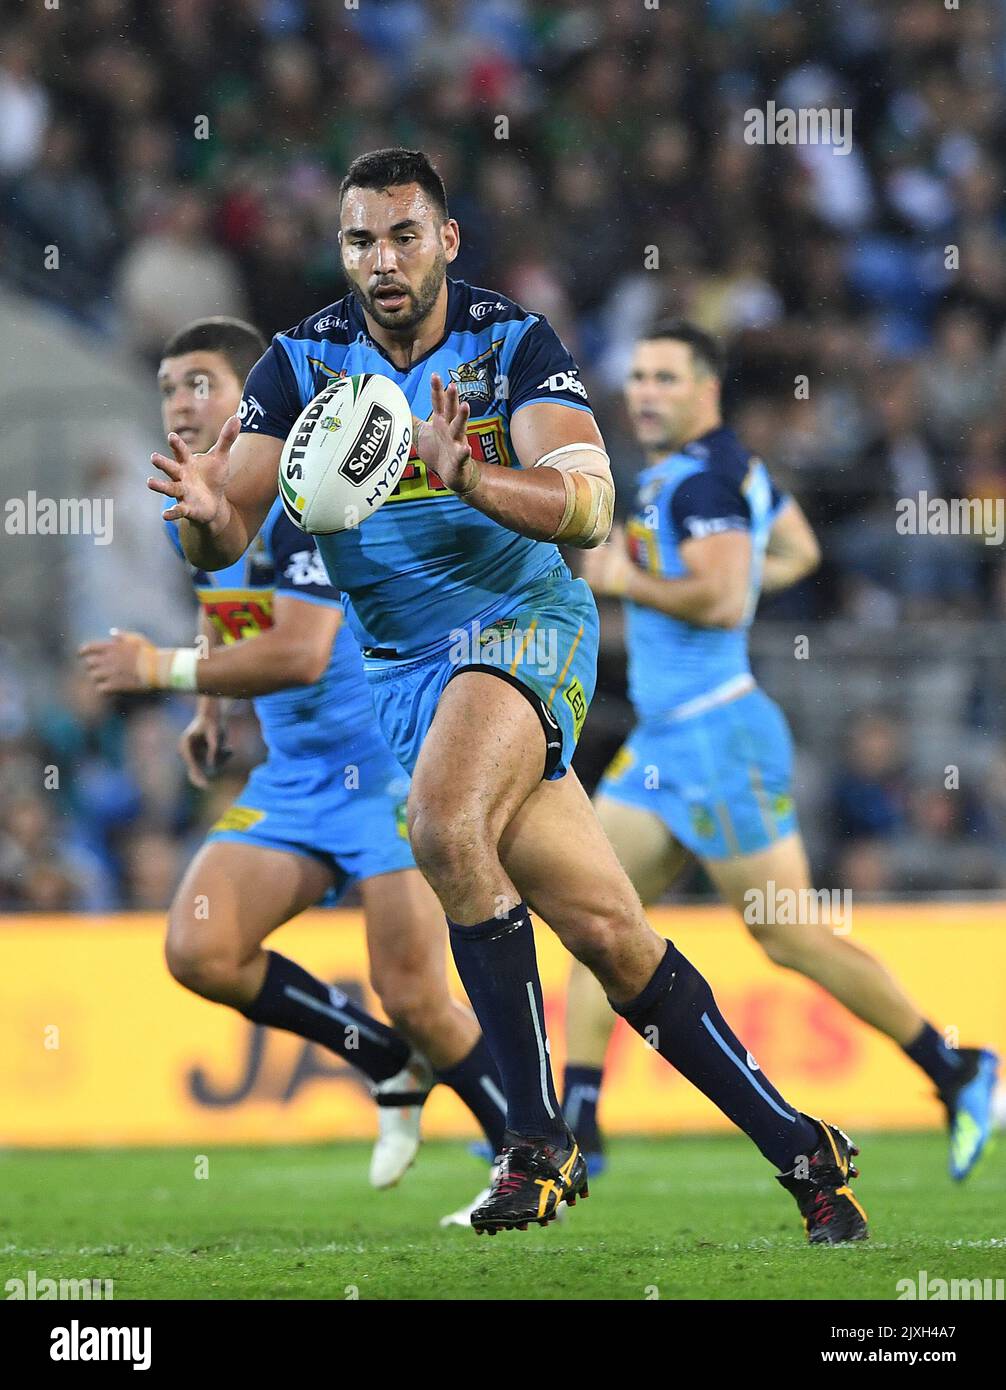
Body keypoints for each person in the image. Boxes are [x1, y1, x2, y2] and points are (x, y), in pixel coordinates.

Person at [149, 149, 867, 1242]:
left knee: (441, 818)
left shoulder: (511, 342)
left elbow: (587, 506)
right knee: (610, 935)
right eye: (357, 241)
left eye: (401, 235)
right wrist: (203, 509)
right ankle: (806, 1154)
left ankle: (532, 1141)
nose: (379, 261)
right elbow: (230, 528)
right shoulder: (298, 364)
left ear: (445, 241)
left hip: (525, 627)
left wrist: (467, 472)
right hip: (402, 670)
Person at [81, 316, 508, 1195]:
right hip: (296, 777)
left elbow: (304, 650)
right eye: (166, 387)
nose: (180, 403)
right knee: (201, 949)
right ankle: (385, 1061)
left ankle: (528, 1153)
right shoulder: (195, 502)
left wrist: (159, 670)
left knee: (420, 994)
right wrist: (211, 703)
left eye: (200, 382)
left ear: (254, 399)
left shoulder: (312, 490)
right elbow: (226, 605)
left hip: (390, 770)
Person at [565, 320, 999, 1183]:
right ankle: (577, 1122)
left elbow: (725, 603)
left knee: (789, 937)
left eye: (665, 378)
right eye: (639, 376)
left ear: (706, 389)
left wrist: (628, 582)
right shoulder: (730, 471)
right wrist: (729, 574)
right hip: (665, 740)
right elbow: (796, 549)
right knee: (593, 916)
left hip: (720, 738)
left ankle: (958, 1068)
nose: (645, 392)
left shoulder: (704, 482)